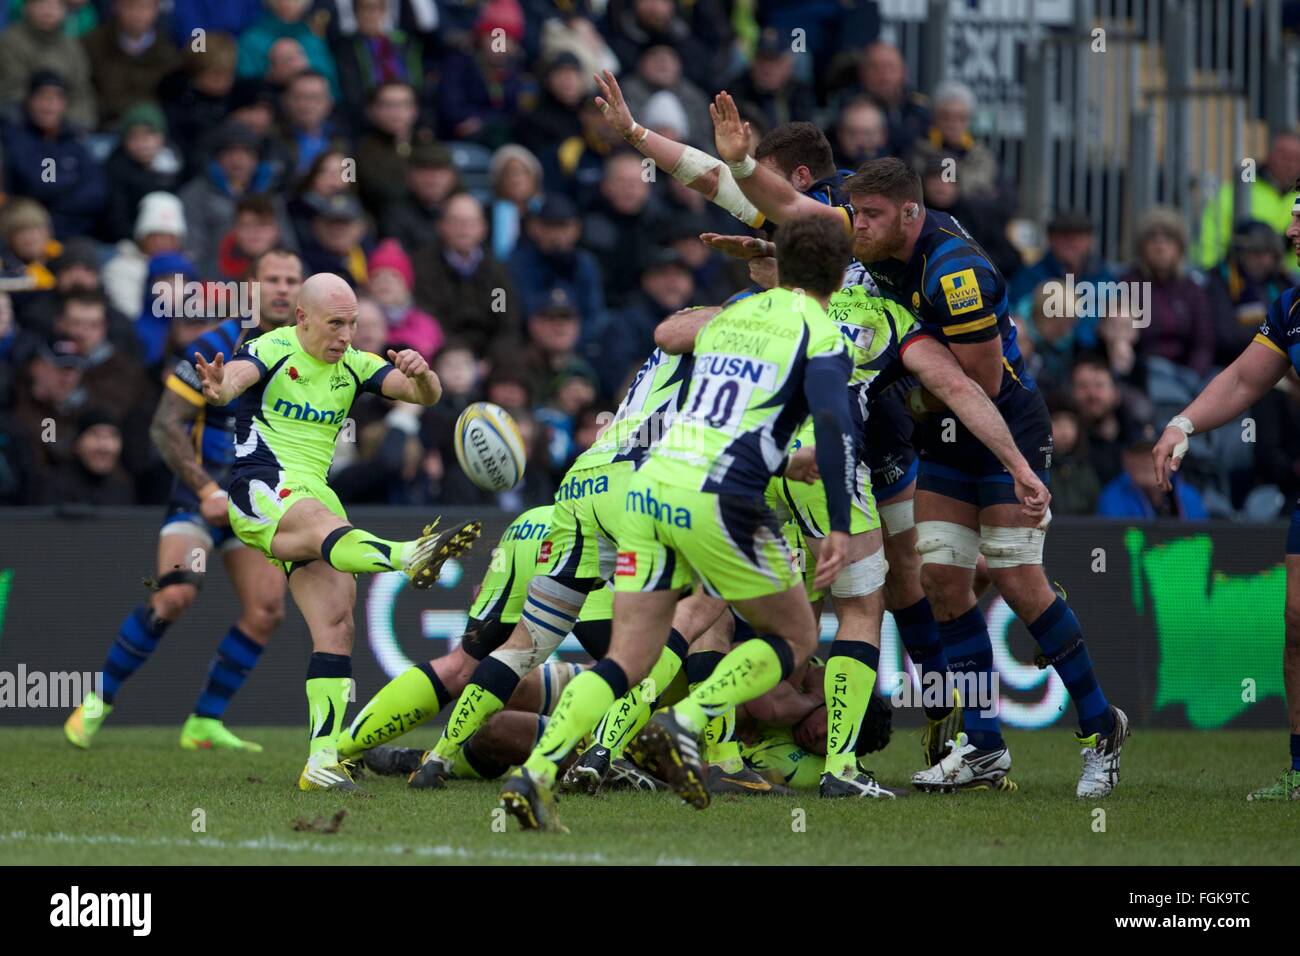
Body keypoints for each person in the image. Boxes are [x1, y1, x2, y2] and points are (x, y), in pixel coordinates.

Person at [717, 113, 1126, 798]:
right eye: (853, 215)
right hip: (938, 429)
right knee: (942, 581)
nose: (858, 228)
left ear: (911, 213)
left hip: (999, 423)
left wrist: (888, 379)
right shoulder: (872, 236)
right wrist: (731, 165)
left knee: (1018, 577)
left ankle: (1098, 725)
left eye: (870, 217)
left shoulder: (955, 273)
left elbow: (979, 386)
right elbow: (787, 206)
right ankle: (984, 746)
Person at [498, 216, 863, 829]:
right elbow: (833, 427)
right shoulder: (825, 334)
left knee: (627, 660)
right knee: (796, 637)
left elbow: (728, 409)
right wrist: (843, 523)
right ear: (841, 276)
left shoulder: (732, 317)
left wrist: (779, 456)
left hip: (651, 487)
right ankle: (684, 723)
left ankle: (536, 776)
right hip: (721, 499)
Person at [193, 271, 481, 792]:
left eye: (352, 324)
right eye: (335, 324)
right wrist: (218, 389)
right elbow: (236, 376)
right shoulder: (273, 346)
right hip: (262, 486)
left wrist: (422, 374)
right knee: (324, 525)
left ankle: (321, 760)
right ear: (302, 318)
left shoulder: (353, 362)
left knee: (337, 625)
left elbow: (424, 397)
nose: (345, 336)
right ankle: (408, 555)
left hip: (315, 495)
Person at [63, 250, 302, 752]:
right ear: (251, 286)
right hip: (200, 497)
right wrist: (207, 490)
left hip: (256, 502)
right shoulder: (214, 345)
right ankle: (96, 702)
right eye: (273, 279)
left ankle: (204, 722)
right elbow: (164, 425)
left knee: (266, 610)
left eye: (292, 280)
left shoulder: (303, 353)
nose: (283, 288)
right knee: (175, 593)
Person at [1152, 198, 1300, 800]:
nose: (1291, 229)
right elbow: (1243, 378)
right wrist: (1182, 425)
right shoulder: (1292, 306)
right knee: (1296, 621)